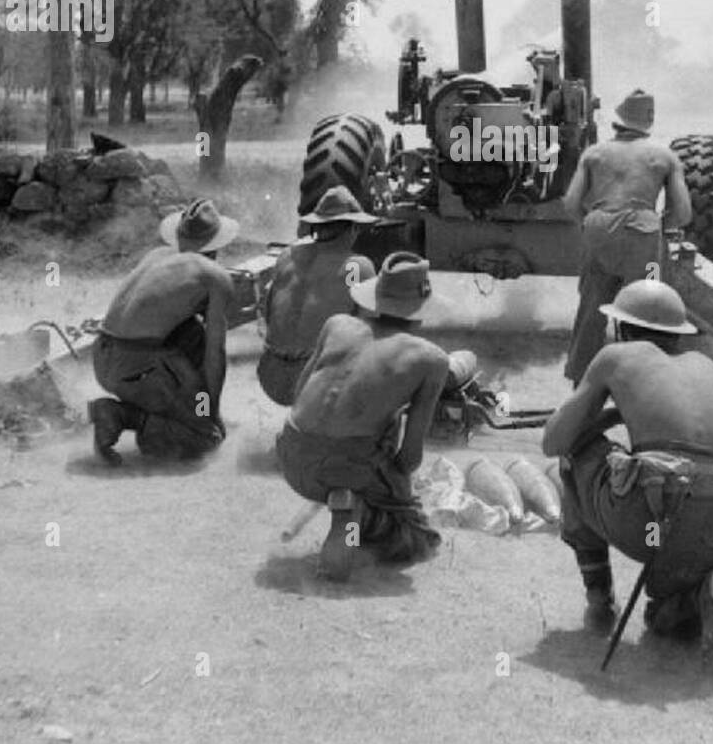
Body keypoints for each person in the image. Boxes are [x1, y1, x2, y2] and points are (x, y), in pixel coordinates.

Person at [542, 279, 713, 685]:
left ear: (622, 328)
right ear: (677, 335)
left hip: (650, 526)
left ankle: (600, 600)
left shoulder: (615, 357)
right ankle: (698, 589)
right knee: (665, 619)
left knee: (576, 458)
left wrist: (607, 417)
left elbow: (554, 441)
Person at [276, 252, 450, 581]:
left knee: (363, 449)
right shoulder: (432, 360)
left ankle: (348, 500)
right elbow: (410, 458)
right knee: (413, 537)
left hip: (290, 453)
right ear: (420, 310)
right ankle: (351, 517)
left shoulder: (337, 325)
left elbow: (299, 394)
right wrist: (396, 489)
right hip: (347, 468)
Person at [89, 198, 237, 464]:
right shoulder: (214, 277)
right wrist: (210, 409)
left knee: (191, 333)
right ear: (217, 244)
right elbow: (216, 354)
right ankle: (123, 416)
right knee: (208, 439)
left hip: (102, 357)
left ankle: (167, 412)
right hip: (138, 367)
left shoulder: (157, 255)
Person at [562, 88, 692, 384]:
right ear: (649, 121)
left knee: (591, 311)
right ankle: (643, 381)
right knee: (648, 309)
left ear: (617, 122)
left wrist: (592, 225)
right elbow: (683, 213)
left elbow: (571, 204)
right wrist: (659, 227)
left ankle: (580, 384)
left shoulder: (593, 154)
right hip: (644, 236)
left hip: (598, 228)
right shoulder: (664, 156)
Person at [257, 185, 378, 406]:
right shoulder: (357, 266)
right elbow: (368, 332)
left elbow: (268, 313)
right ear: (352, 228)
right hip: (311, 382)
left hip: (270, 373)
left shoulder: (287, 256)